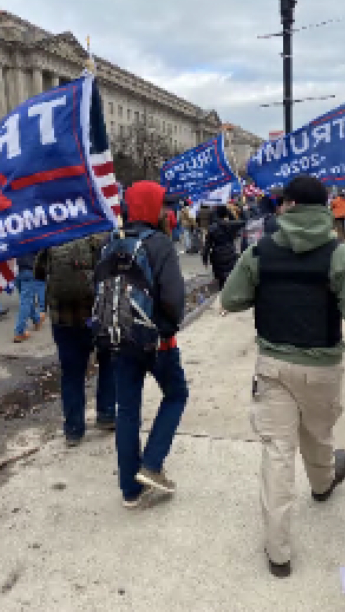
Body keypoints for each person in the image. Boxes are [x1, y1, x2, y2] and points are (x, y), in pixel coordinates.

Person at [220, 174, 345, 578]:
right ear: (325, 207)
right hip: (322, 366)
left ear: (288, 205)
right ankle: (323, 483)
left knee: (277, 452)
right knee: (319, 432)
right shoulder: (339, 255)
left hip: (273, 365)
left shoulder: (260, 251)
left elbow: (230, 299)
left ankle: (278, 553)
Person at [99, 181, 188, 509]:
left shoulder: (112, 242)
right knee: (176, 394)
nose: (167, 211)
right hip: (156, 339)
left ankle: (129, 490)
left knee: (127, 411)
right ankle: (151, 464)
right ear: (153, 207)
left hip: (119, 337)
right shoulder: (160, 244)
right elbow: (173, 298)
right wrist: (168, 328)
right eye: (163, 205)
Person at [35, 234, 115, 445]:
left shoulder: (50, 241)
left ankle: (73, 429)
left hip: (63, 321)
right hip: (94, 317)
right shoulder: (97, 239)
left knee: (71, 375)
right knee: (107, 362)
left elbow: (39, 273)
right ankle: (106, 414)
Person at [202, 205, 245, 293]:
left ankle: (222, 298)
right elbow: (243, 221)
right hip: (230, 253)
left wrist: (205, 259)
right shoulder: (232, 225)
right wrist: (229, 213)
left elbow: (207, 246)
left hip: (217, 255)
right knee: (231, 278)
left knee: (221, 281)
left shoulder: (212, 228)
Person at [13, 251, 46, 342]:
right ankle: (20, 331)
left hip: (16, 269)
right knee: (26, 301)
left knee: (26, 299)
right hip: (28, 268)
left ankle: (37, 319)